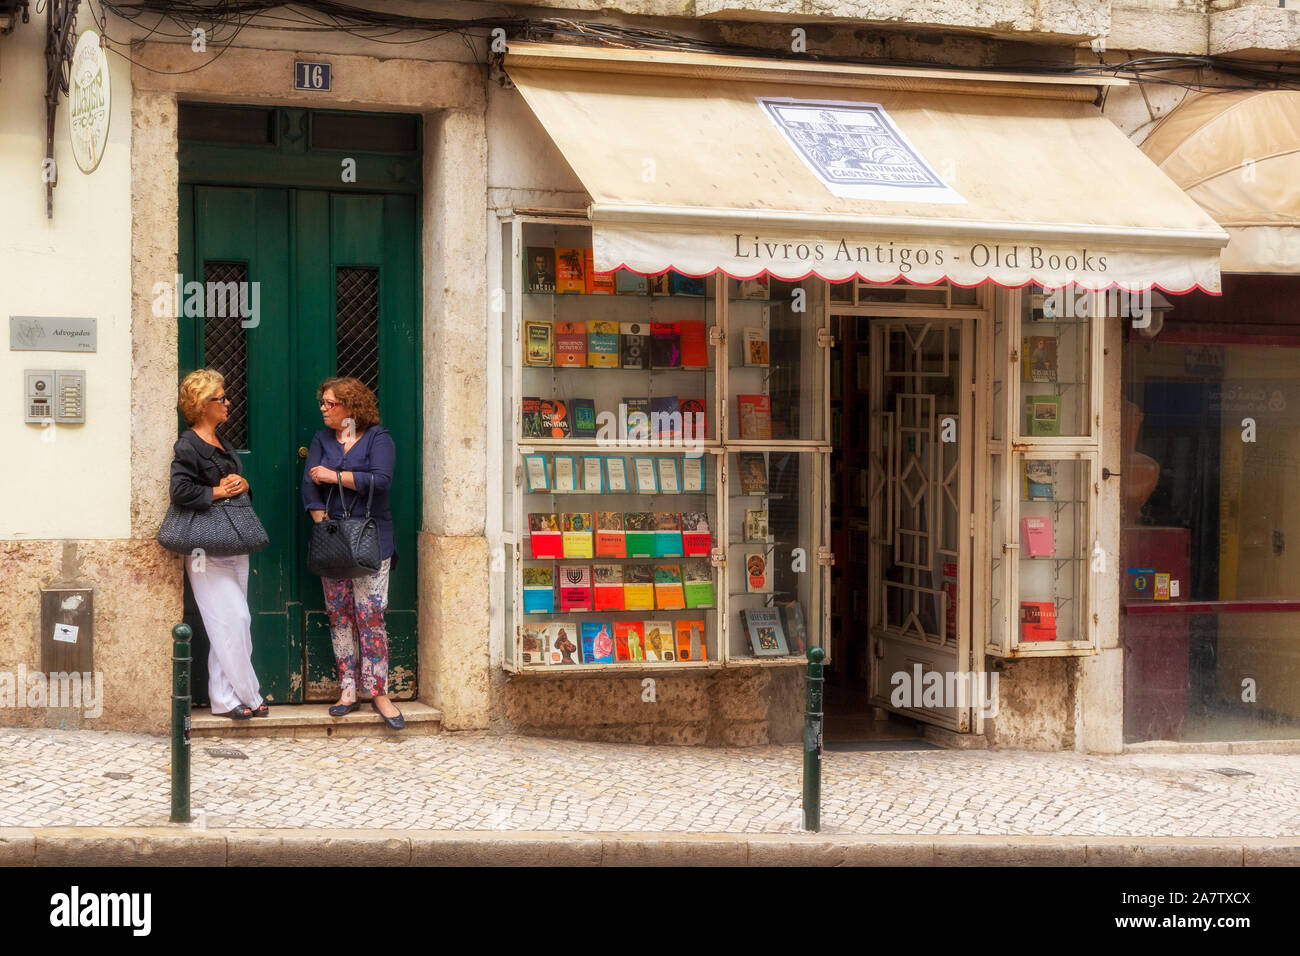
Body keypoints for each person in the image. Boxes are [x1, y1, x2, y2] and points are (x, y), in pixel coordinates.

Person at [301, 377, 403, 730]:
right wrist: (323, 522)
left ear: (351, 407)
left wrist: (335, 475)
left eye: (330, 403)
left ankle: (378, 692)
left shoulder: (379, 439)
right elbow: (308, 485)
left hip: (372, 539)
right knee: (339, 614)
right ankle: (347, 690)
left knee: (371, 615)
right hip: (332, 539)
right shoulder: (321, 439)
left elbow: (381, 481)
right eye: (323, 403)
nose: (324, 409)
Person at [170, 369, 268, 720]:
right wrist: (217, 492)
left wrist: (242, 483)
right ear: (201, 405)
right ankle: (249, 695)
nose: (228, 402)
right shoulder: (189, 444)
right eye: (221, 398)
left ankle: (224, 699)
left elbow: (232, 485)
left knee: (227, 623)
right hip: (204, 549)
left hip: (233, 543)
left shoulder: (222, 442)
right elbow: (180, 491)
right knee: (235, 619)